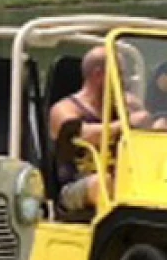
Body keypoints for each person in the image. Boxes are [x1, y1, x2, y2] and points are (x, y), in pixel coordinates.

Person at [48, 45, 150, 216]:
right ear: (98, 75)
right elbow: (86, 135)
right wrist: (125, 123)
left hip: (122, 176)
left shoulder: (127, 105)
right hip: (76, 185)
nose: (125, 81)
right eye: (120, 74)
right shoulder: (64, 109)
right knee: (102, 183)